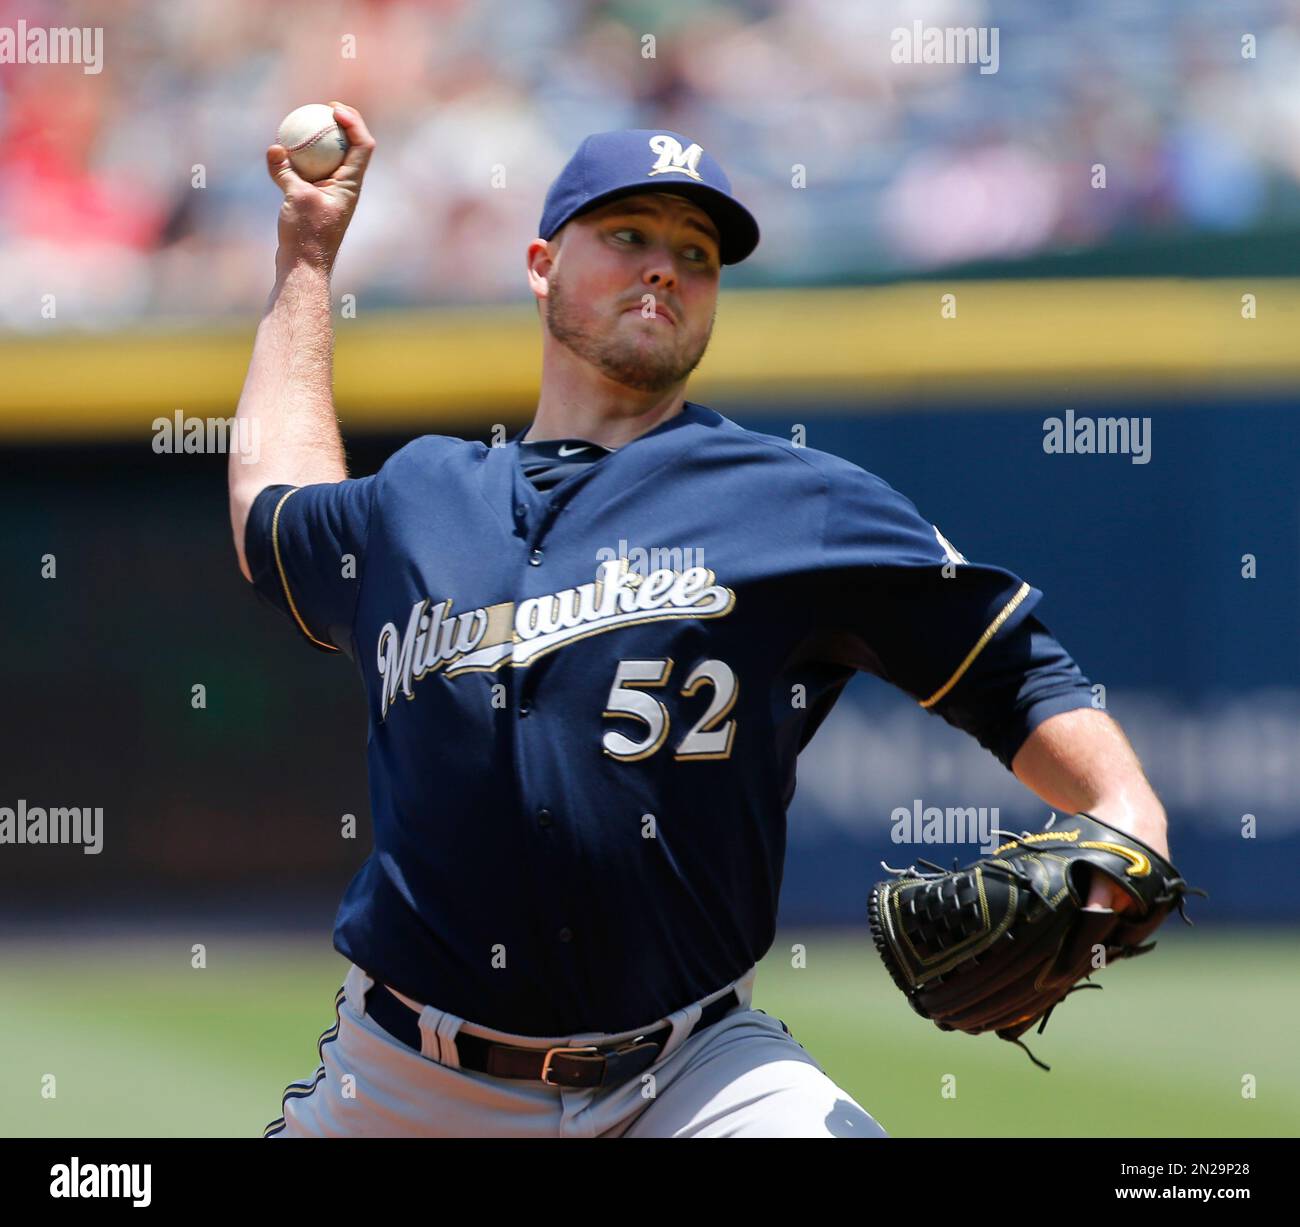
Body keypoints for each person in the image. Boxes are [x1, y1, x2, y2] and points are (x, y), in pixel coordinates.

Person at [228, 109, 1171, 1138]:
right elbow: (270, 512)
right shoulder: (419, 498)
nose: (665, 269)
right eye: (628, 235)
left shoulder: (796, 502)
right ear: (541, 264)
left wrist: (1128, 814)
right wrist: (306, 254)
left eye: (697, 253)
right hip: (408, 1085)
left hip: (690, 1075)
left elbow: (1013, 675)